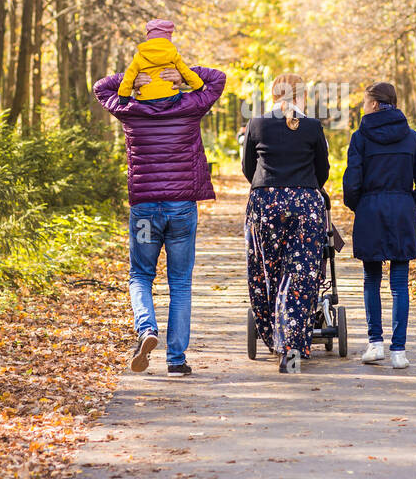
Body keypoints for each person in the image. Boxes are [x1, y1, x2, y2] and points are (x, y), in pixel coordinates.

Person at [94, 60, 226, 377]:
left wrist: (133, 79)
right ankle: (176, 361)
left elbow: (101, 87)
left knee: (140, 275)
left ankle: (146, 329)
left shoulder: (129, 109)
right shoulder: (190, 106)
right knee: (180, 283)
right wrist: (183, 73)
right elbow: (217, 79)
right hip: (181, 209)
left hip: (145, 211)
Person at [242, 74, 330, 374]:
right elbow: (323, 171)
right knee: (300, 276)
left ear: (273, 95)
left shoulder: (257, 124)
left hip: (265, 204)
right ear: (302, 96)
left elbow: (248, 169)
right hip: (305, 204)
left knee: (267, 272)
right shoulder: (313, 127)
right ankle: (291, 347)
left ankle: (272, 334)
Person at [342, 81, 416, 369]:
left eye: (365, 102)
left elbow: (352, 183)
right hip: (402, 213)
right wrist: (408, 203)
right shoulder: (412, 138)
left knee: (372, 279)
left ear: (373, 104)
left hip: (370, 211)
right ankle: (399, 352)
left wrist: (361, 205)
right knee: (399, 284)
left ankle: (375, 344)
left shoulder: (360, 138)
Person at [117, 19, 204, 102]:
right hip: (170, 96)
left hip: (145, 98)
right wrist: (199, 86)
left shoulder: (139, 56)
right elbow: (186, 72)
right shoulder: (173, 55)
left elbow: (128, 77)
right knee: (184, 96)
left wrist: (123, 96)